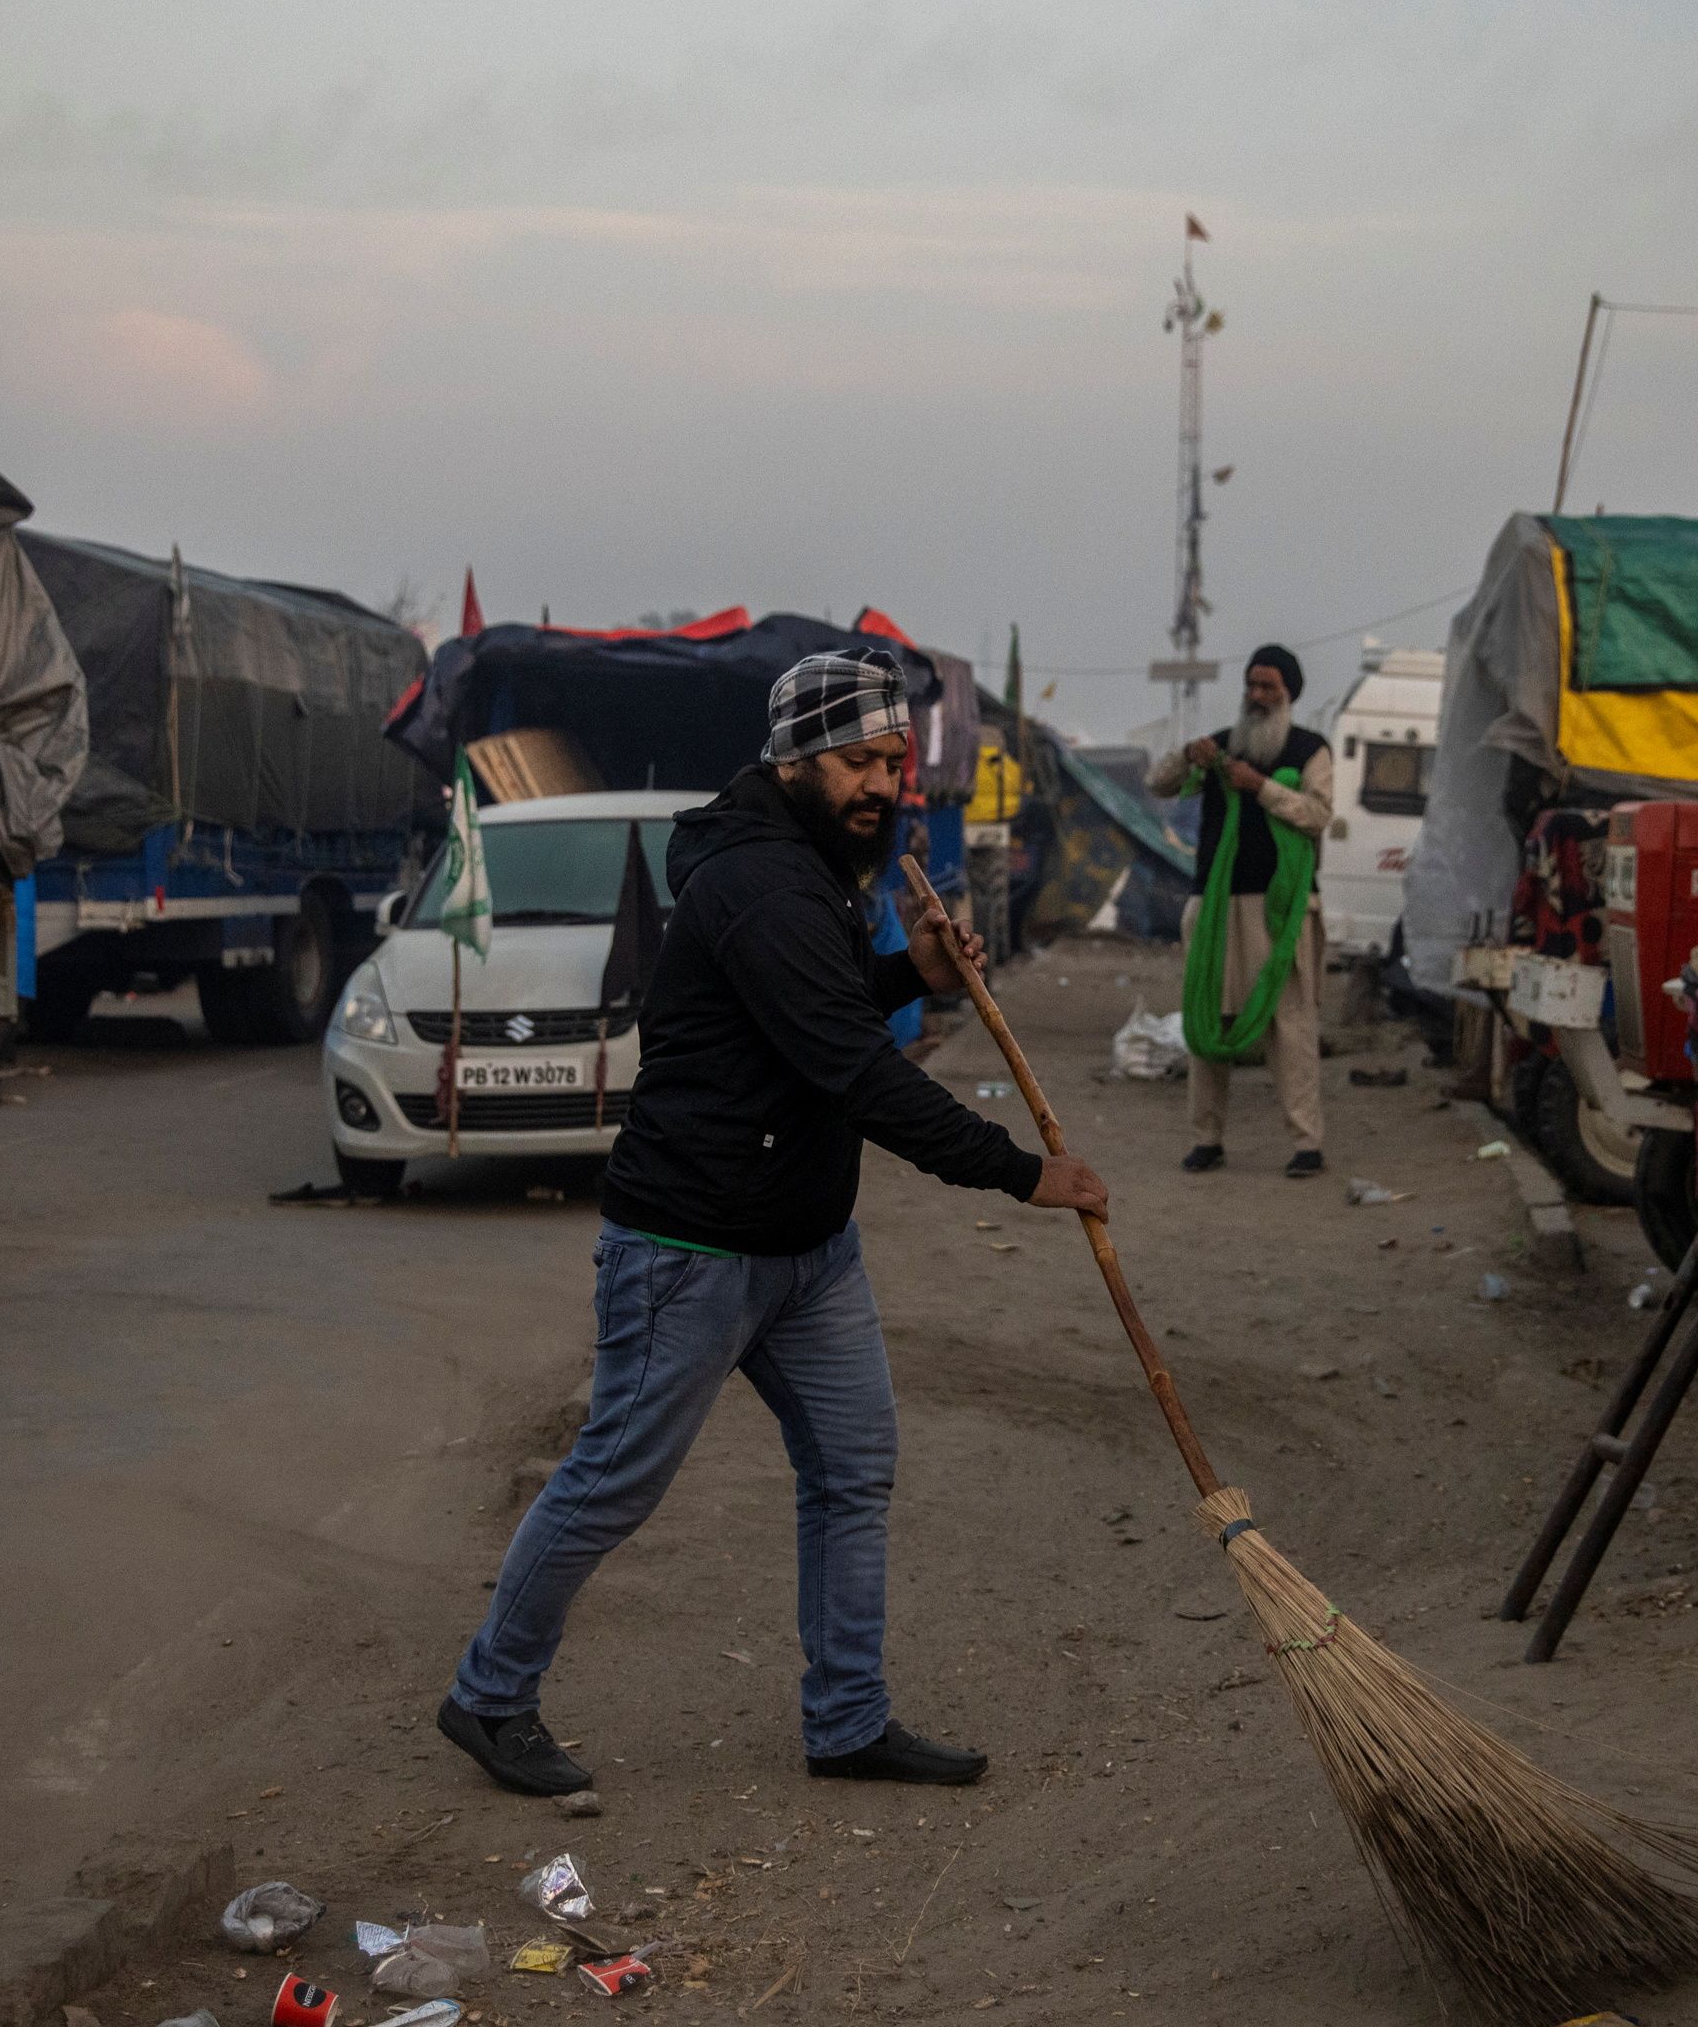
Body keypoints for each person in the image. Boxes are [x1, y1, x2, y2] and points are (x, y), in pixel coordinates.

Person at [438, 650, 1109, 1796]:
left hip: (806, 1249)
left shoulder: (815, 871)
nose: (882, 785)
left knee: (853, 1466)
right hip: (689, 1250)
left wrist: (914, 972)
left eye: (893, 763)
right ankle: (488, 1696)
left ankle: (846, 1719)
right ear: (793, 761)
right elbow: (849, 1068)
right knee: (613, 1480)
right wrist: (1015, 1173)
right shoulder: (756, 882)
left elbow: (822, 1010)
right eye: (857, 761)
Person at [1148, 644, 1333, 1178]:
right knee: (1208, 1016)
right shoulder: (1220, 750)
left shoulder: (1309, 749)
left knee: (1291, 1024)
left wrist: (1263, 789)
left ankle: (1306, 1143)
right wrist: (1188, 755)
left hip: (1283, 906)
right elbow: (1158, 784)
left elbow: (1318, 814)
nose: (1255, 695)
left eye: (1267, 687)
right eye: (1250, 684)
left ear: (1288, 694)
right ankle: (1206, 1138)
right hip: (1215, 904)